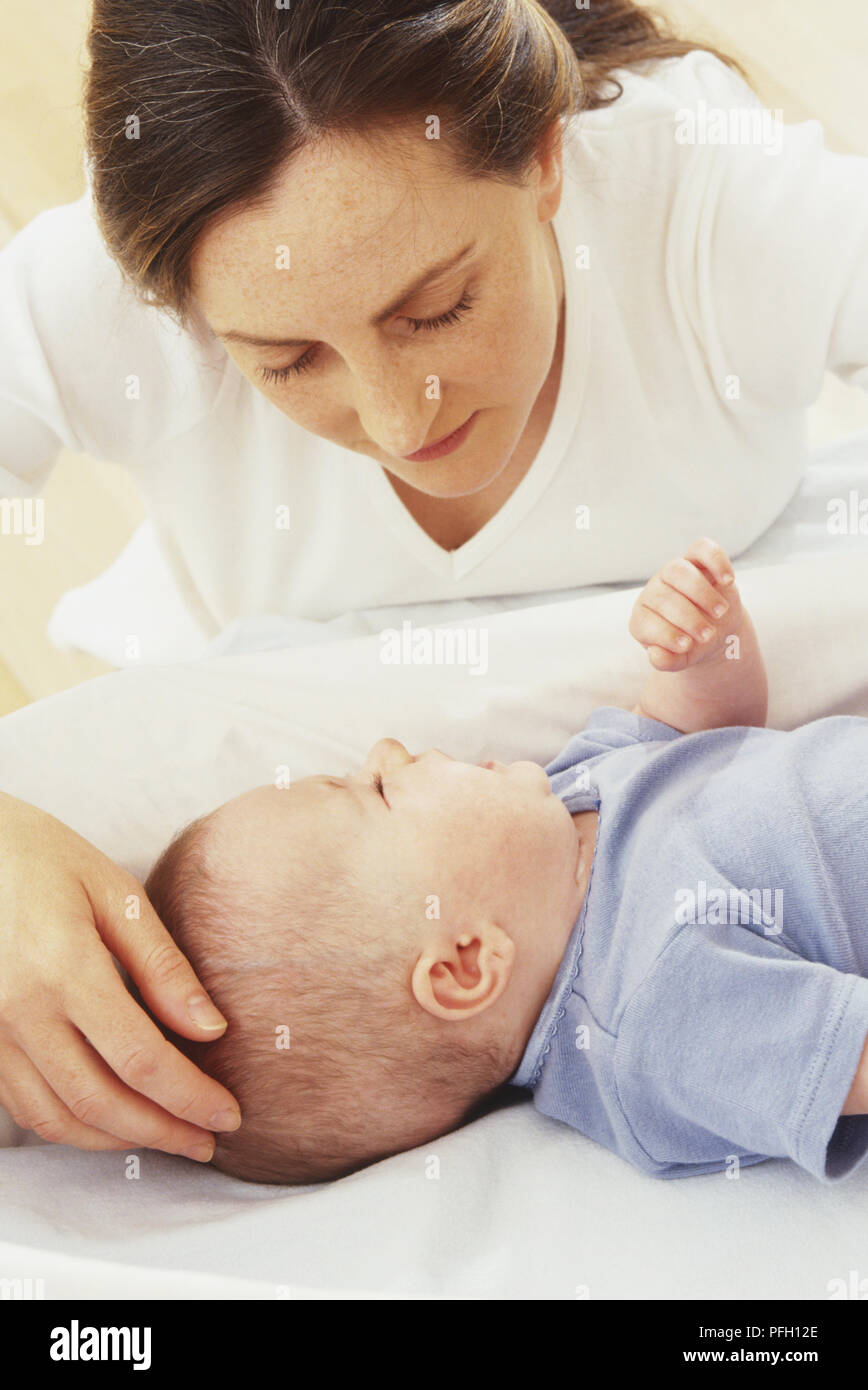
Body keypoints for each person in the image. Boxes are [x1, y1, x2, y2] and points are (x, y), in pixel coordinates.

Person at [2, 0, 867, 1163]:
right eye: (287, 361)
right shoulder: (114, 290)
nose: (398, 420)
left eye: (436, 307)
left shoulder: (708, 206)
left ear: (546, 157)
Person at [141, 536, 868, 1186]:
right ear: (466, 965)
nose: (386, 750)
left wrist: (704, 651)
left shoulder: (564, 801)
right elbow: (843, 1062)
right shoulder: (652, 1019)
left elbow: (702, 736)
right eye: (378, 791)